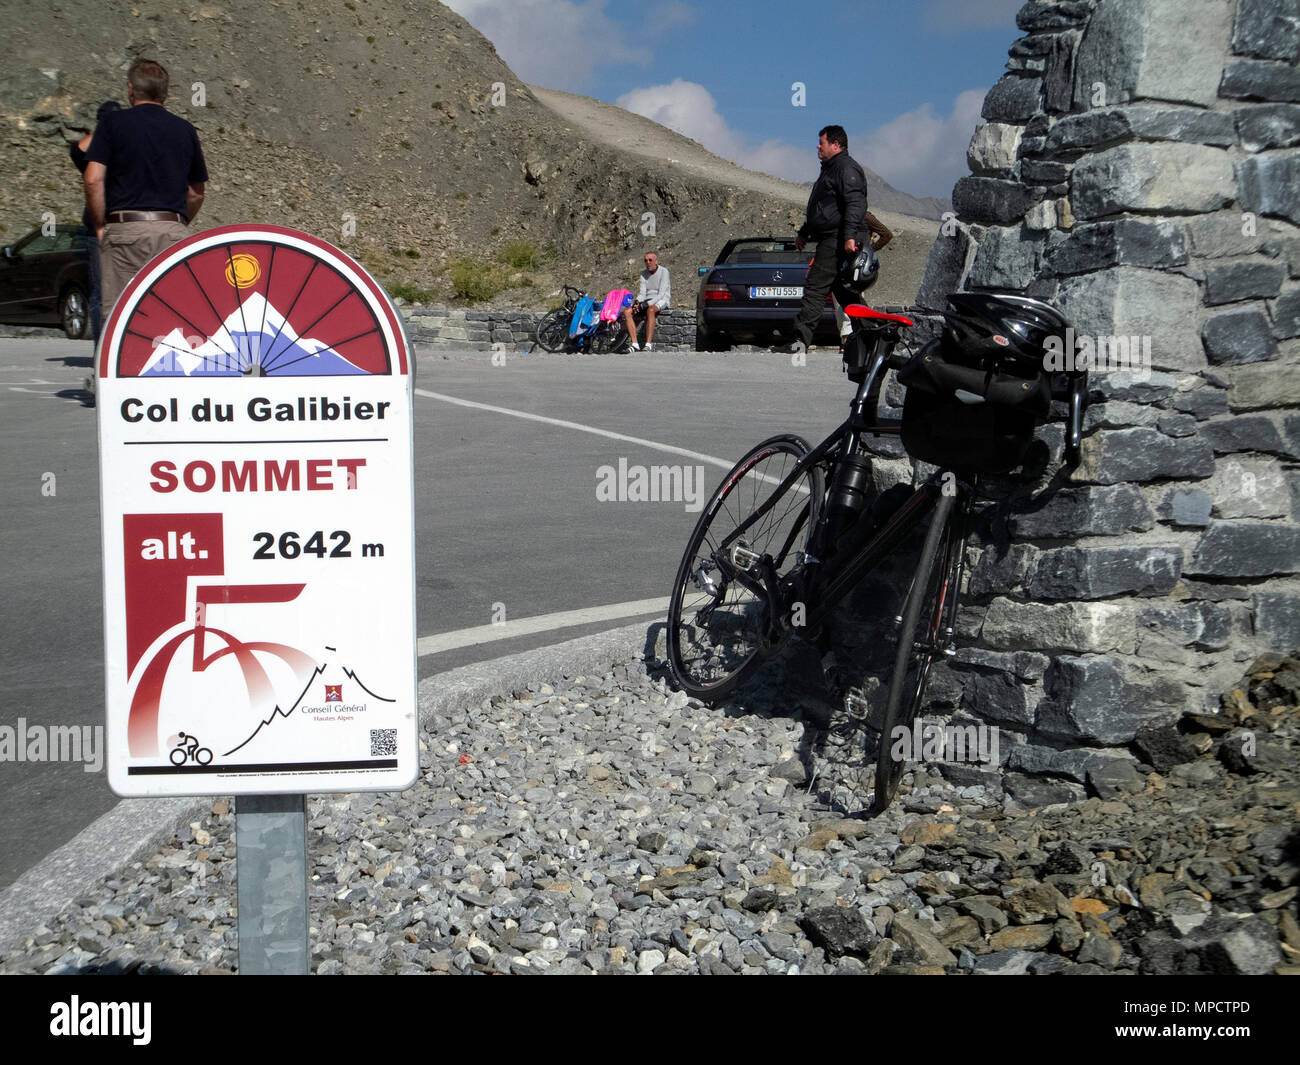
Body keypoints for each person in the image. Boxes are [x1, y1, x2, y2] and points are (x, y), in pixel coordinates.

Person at [84, 58, 208, 320]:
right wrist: (179, 222)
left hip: (125, 229)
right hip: (171, 233)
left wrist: (99, 225)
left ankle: (121, 362)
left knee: (120, 318)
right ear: (165, 92)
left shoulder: (112, 124)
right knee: (173, 316)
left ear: (131, 89)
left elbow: (93, 179)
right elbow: (196, 192)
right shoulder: (185, 130)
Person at [777, 125, 868, 355]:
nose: (818, 146)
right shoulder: (830, 169)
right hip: (833, 236)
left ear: (836, 145)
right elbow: (823, 208)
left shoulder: (846, 168)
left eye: (822, 142)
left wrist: (848, 236)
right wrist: (804, 233)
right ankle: (873, 334)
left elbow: (855, 205)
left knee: (815, 288)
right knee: (845, 293)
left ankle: (799, 342)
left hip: (838, 238)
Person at [69, 100, 121, 343]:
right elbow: (76, 150)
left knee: (125, 290)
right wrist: (104, 132)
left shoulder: (124, 147)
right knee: (100, 292)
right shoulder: (95, 151)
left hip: (123, 225)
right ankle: (102, 349)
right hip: (96, 228)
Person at [833, 210, 894, 351]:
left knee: (855, 301)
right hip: (842, 265)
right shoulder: (841, 215)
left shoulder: (865, 216)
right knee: (842, 304)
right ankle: (852, 338)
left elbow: (886, 235)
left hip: (857, 268)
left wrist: (868, 251)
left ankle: (861, 336)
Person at [622, 251, 670, 351]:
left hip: (661, 299)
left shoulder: (664, 272)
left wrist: (646, 304)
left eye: (650, 260)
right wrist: (637, 302)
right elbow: (642, 293)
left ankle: (648, 344)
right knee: (627, 312)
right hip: (647, 300)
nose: (648, 262)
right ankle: (635, 344)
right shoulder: (643, 274)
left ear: (656, 261)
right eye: (645, 260)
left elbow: (661, 294)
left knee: (651, 310)